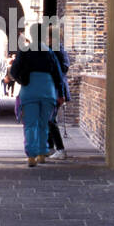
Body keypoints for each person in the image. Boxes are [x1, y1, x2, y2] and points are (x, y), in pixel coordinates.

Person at [5, 23, 65, 167]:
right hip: (48, 91)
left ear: (31, 35)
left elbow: (13, 71)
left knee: (30, 124)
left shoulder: (25, 51)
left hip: (29, 90)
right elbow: (58, 74)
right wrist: (61, 94)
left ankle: (31, 156)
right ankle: (42, 153)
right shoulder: (49, 52)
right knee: (43, 124)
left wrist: (23, 80)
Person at [46, 24, 71, 161]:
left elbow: (64, 67)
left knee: (50, 119)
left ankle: (60, 149)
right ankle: (50, 148)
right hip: (53, 88)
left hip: (57, 88)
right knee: (49, 119)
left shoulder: (57, 48)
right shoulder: (52, 48)